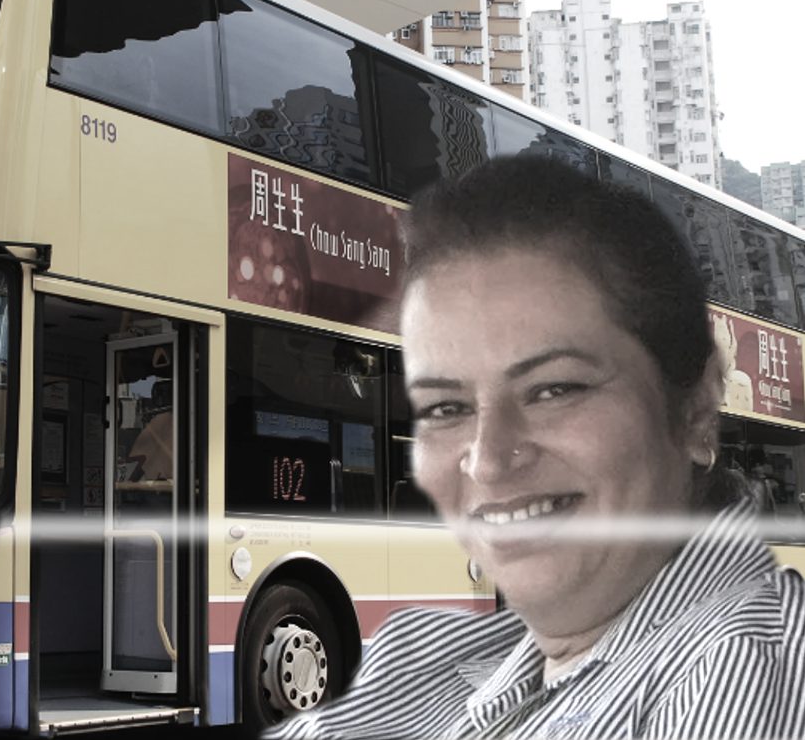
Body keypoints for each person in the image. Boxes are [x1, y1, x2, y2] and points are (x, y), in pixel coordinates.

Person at [266, 153, 805, 740]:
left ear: (696, 415)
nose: (488, 462)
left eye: (553, 389)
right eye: (448, 407)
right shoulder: (440, 661)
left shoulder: (734, 659)